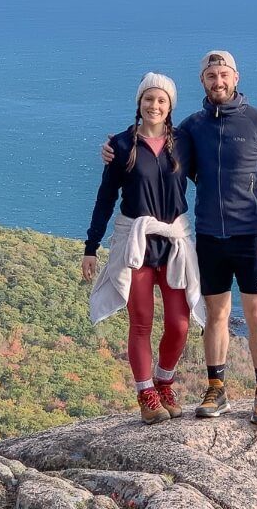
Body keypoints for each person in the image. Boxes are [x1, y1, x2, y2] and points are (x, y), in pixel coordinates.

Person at [102, 51, 257, 426]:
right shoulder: (191, 129)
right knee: (215, 316)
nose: (217, 81)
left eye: (223, 74)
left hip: (253, 237)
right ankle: (216, 390)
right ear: (202, 81)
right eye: (210, 76)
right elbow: (160, 159)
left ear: (236, 77)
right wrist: (114, 149)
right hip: (207, 237)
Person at [83, 72, 207, 425]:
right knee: (141, 322)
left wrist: (252, 183)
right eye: (149, 99)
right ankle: (146, 393)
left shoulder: (183, 142)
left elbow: (209, 177)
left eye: (162, 100)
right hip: (135, 241)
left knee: (179, 324)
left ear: (170, 107)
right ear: (139, 103)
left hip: (174, 242)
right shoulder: (122, 146)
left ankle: (164, 381)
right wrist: (91, 245)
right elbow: (106, 198)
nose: (154, 105)